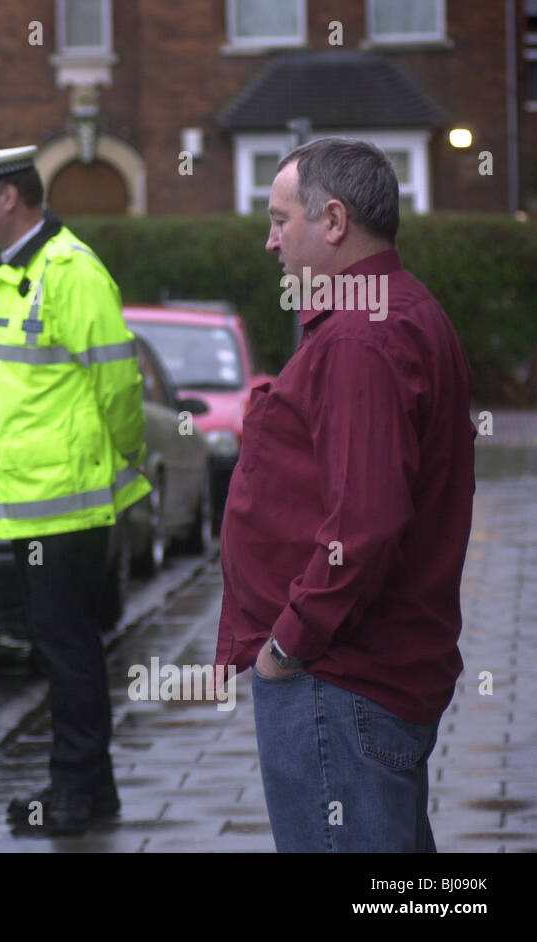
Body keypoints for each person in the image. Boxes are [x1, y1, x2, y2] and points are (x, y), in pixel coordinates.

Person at [217, 137, 476, 852]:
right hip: (368, 680)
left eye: (279, 220)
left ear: (332, 221)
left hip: (339, 683)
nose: (270, 243)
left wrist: (285, 649)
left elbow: (362, 526)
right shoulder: (401, 310)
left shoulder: (362, 337)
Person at [0, 146, 151, 835]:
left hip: (68, 504)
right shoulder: (20, 274)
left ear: (8, 196)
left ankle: (73, 792)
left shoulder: (69, 272)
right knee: (65, 651)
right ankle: (92, 791)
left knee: (67, 653)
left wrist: (123, 460)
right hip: (38, 506)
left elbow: (119, 383)